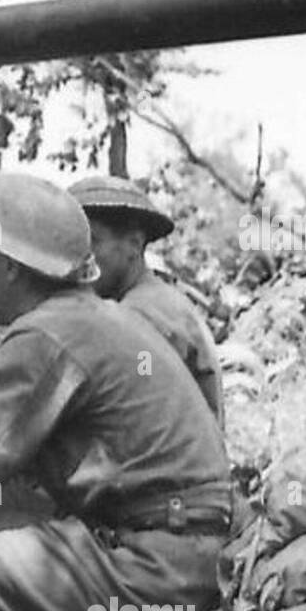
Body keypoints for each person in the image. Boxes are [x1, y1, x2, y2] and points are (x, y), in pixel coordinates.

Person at [0, 173, 231, 611]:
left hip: (153, 587)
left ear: (10, 266)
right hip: (187, 570)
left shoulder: (49, 334)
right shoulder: (95, 316)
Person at [70, 174, 225, 424]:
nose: (82, 258)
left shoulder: (141, 315)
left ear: (134, 244)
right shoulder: (157, 300)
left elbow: (138, 412)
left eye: (93, 242)